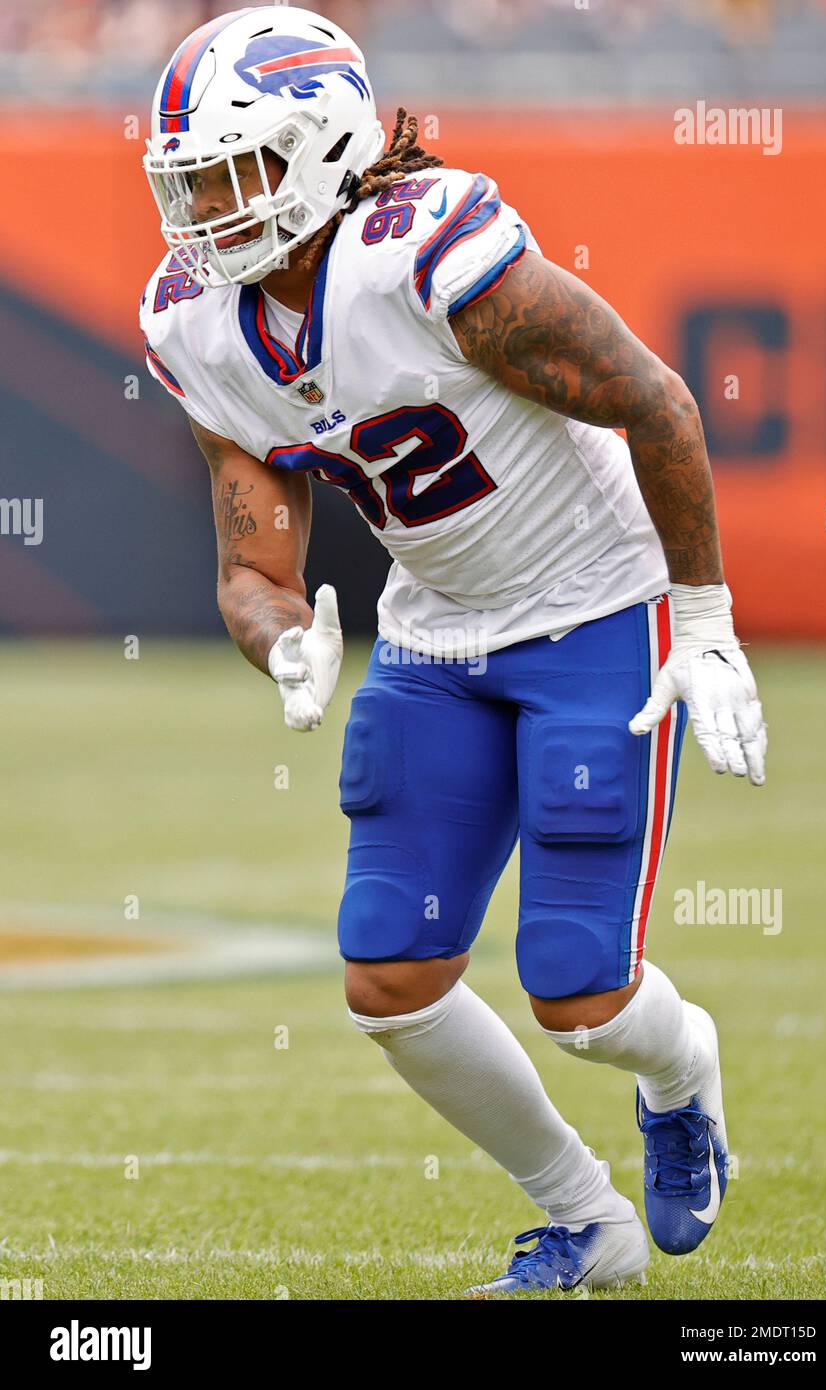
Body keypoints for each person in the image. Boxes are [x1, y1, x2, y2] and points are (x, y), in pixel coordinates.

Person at [140, 5, 767, 1296]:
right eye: (186, 180)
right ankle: (586, 1225)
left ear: (319, 149)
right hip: (434, 633)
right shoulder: (198, 323)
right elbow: (255, 564)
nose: (203, 208)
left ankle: (678, 1066)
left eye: (230, 171)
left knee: (579, 993)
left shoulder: (422, 252)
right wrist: (281, 646)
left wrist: (701, 616)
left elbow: (654, 398)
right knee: (391, 974)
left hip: (592, 599)